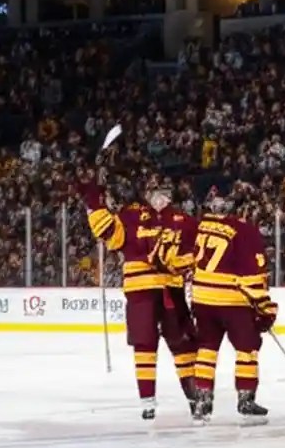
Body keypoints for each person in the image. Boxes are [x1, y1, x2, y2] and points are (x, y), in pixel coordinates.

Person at [78, 176, 200, 420]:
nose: (160, 196)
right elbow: (107, 232)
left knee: (183, 345)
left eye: (165, 190)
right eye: (155, 190)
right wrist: (94, 199)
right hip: (140, 290)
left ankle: (194, 398)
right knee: (144, 344)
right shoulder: (131, 216)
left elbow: (196, 254)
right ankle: (147, 401)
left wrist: (176, 264)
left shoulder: (184, 221)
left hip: (171, 290)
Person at [189, 197, 277, 421]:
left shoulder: (202, 226)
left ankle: (202, 398)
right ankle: (246, 398)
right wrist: (266, 309)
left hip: (201, 297)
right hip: (232, 299)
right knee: (247, 348)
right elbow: (252, 275)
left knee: (207, 349)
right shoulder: (243, 230)